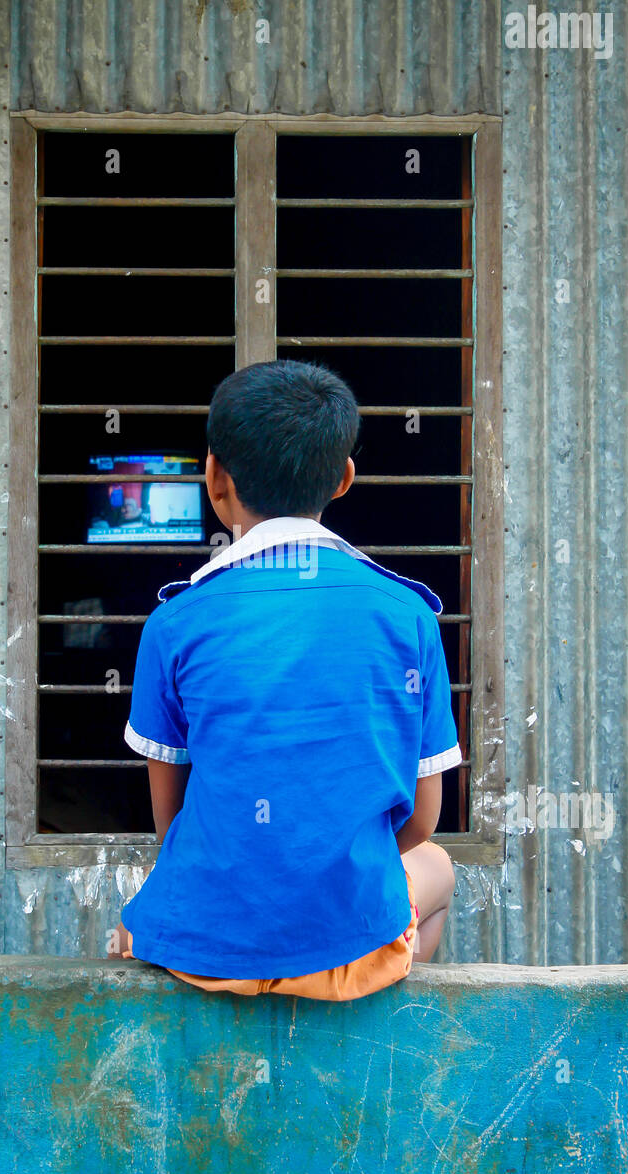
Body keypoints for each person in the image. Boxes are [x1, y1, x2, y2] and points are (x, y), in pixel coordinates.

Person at [107, 360, 461, 1000]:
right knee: (436, 869)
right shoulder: (410, 618)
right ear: (346, 478)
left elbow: (170, 822)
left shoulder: (175, 622)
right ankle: (361, 1032)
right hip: (352, 952)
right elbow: (422, 820)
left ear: (215, 477)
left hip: (205, 952)